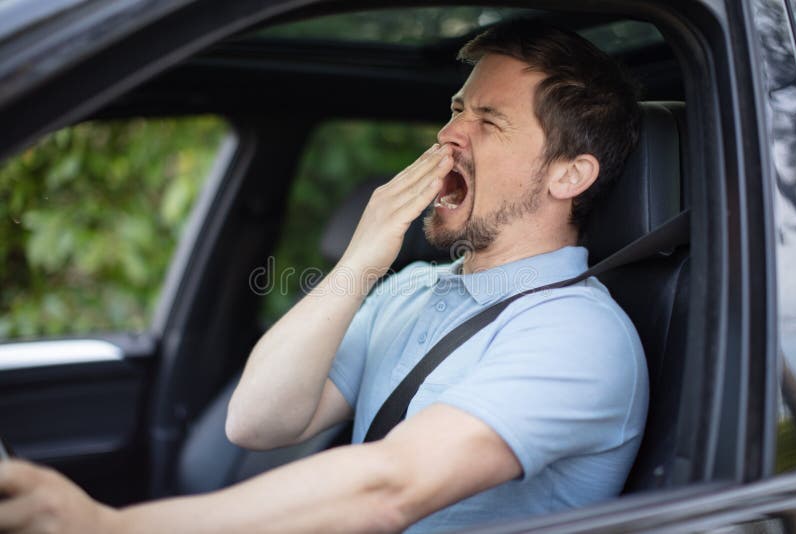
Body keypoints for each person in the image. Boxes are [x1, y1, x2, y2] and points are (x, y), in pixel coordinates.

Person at [0, 19, 647, 533]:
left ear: (569, 175)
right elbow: (257, 422)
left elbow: (391, 486)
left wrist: (112, 527)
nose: (449, 133)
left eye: (489, 121)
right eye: (456, 109)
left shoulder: (578, 336)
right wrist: (360, 262)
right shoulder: (413, 289)